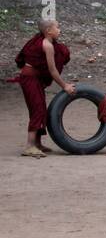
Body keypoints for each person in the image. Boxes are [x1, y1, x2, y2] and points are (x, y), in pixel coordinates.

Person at [8, 19, 74, 157]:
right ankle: (29, 146)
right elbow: (52, 70)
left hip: (34, 79)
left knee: (40, 109)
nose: (60, 30)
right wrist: (65, 86)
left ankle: (37, 144)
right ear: (49, 31)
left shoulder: (45, 41)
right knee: (37, 109)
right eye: (57, 27)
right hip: (30, 79)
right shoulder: (46, 45)